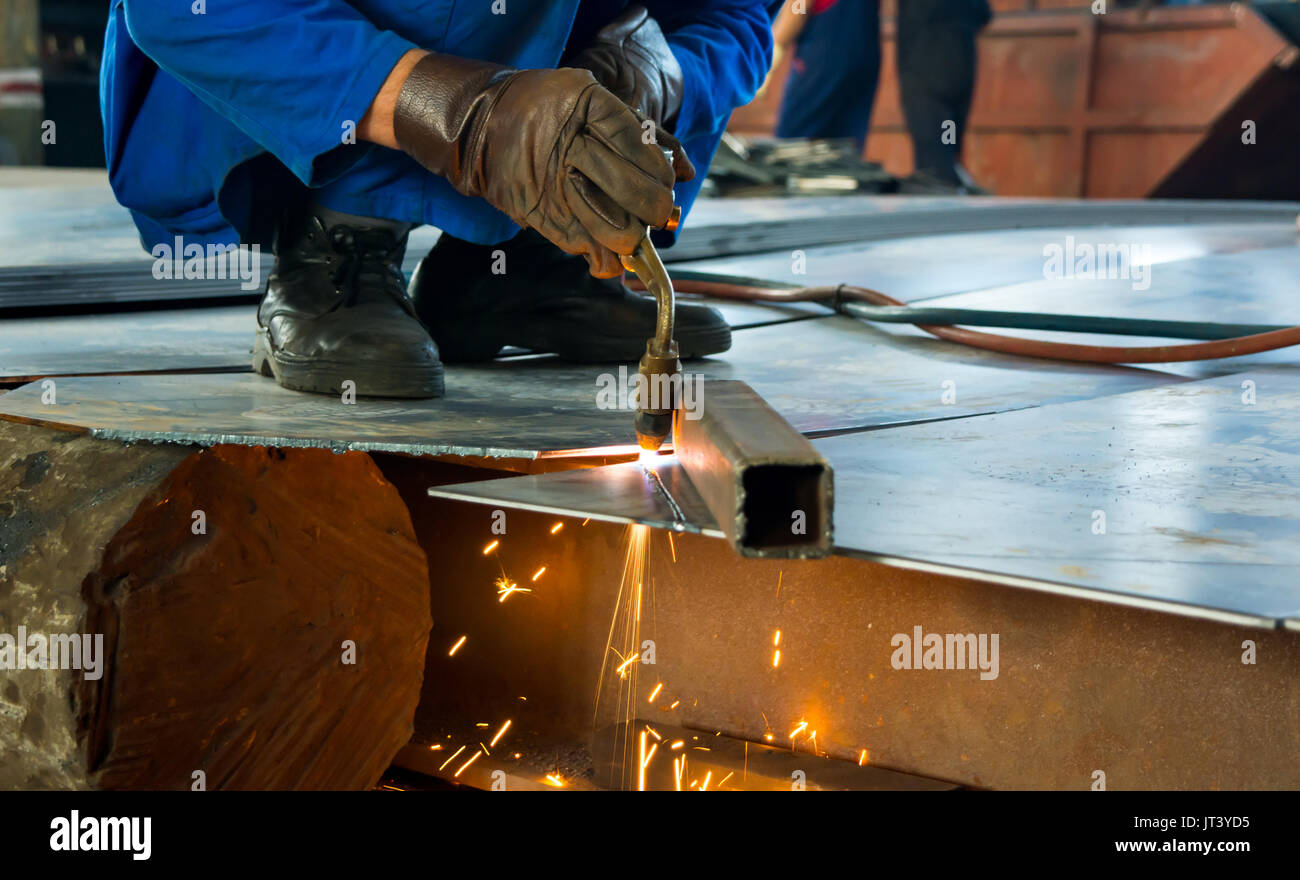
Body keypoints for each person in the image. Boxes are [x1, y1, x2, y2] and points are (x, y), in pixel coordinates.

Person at [100, 1, 782, 398]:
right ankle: (340, 234)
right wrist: (462, 114)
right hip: (250, 83)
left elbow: (739, 16)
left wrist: (662, 71)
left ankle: (533, 253)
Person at [771, 0, 991, 194]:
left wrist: (777, 45)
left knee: (791, 150)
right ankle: (951, 177)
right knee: (847, 150)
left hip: (827, 56)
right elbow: (983, 15)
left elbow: (800, 6)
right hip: (876, 56)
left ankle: (946, 184)